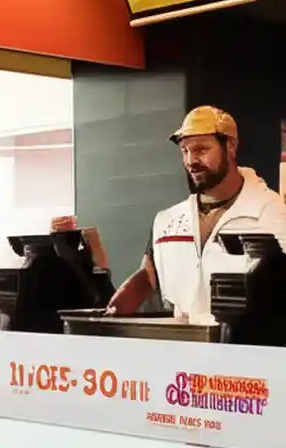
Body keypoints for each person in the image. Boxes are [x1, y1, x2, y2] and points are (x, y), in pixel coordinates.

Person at [107, 106, 286, 323]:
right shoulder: (169, 220)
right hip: (185, 349)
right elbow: (148, 275)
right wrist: (109, 316)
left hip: (250, 347)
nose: (191, 161)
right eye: (185, 151)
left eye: (201, 149)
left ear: (230, 146)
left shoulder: (272, 211)